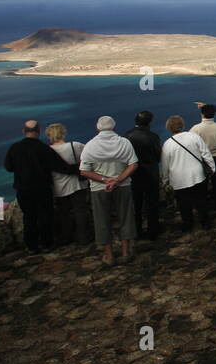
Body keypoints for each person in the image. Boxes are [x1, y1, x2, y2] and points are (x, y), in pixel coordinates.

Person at [3, 120, 79, 253]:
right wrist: (82, 169)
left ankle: (31, 246)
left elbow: (8, 167)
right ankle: (46, 244)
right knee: (45, 216)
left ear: (23, 131)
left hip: (23, 189)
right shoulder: (44, 148)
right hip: (42, 188)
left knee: (28, 217)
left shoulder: (14, 148)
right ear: (38, 131)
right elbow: (62, 167)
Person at [79, 116, 139, 265]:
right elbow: (133, 164)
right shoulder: (124, 143)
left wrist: (106, 180)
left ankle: (109, 255)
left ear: (98, 128)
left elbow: (84, 171)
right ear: (113, 127)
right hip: (123, 185)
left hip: (99, 188)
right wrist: (118, 180)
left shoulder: (90, 146)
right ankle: (126, 252)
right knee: (125, 217)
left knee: (102, 220)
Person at [160, 115, 215, 233]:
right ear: (182, 125)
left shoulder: (167, 144)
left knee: (184, 204)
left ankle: (188, 224)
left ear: (169, 128)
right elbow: (206, 154)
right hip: (197, 174)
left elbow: (165, 165)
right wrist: (212, 168)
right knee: (201, 200)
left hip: (179, 179)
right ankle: (205, 222)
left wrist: (165, 180)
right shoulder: (193, 137)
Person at [46, 123, 93, 246]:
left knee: (63, 213)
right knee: (81, 211)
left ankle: (66, 238)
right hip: (76, 184)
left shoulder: (47, 151)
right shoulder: (75, 146)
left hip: (58, 187)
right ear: (63, 133)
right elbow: (89, 154)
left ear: (49, 136)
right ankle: (84, 238)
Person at [123, 112, 164, 240]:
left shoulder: (126, 136)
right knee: (152, 204)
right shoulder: (153, 137)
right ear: (149, 123)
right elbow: (158, 156)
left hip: (133, 175)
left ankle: (137, 231)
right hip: (151, 174)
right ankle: (153, 231)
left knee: (136, 205)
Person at [190, 105, 216, 208]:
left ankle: (204, 207)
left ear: (202, 115)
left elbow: (191, 146)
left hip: (202, 160)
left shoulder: (195, 129)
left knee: (202, 184)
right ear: (214, 114)